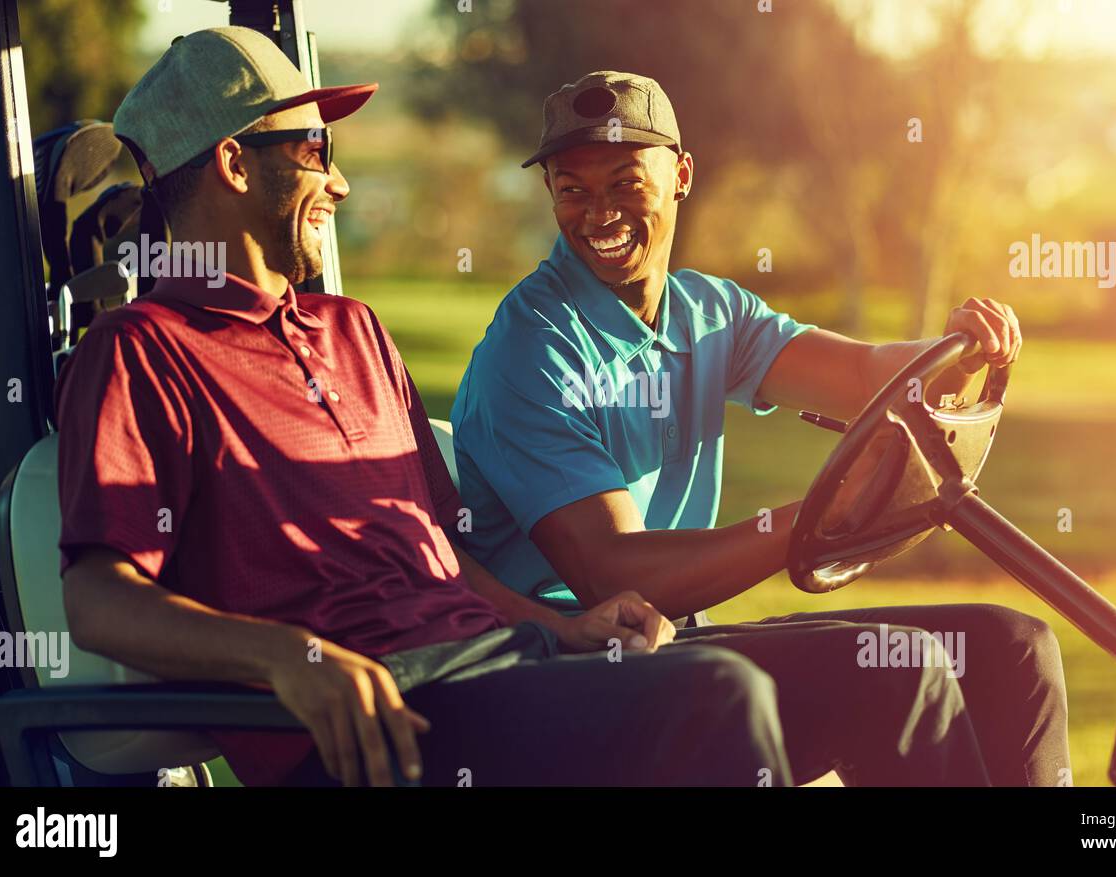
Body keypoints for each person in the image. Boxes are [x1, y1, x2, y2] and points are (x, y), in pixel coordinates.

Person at [56, 28, 795, 788]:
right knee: (718, 698)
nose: (338, 184)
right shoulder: (140, 351)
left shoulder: (355, 333)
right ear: (234, 163)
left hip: (494, 668)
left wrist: (565, 629)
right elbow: (101, 602)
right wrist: (286, 657)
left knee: (774, 672)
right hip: (381, 727)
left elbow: (444, 556)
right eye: (315, 150)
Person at [451, 71, 1072, 786]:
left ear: (680, 175)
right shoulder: (532, 348)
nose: (599, 214)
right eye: (572, 190)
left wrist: (959, 354)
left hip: (676, 641)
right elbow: (609, 574)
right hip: (572, 665)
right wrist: (808, 520)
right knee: (896, 673)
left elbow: (870, 374)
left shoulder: (707, 312)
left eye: (625, 183)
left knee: (1012, 647)